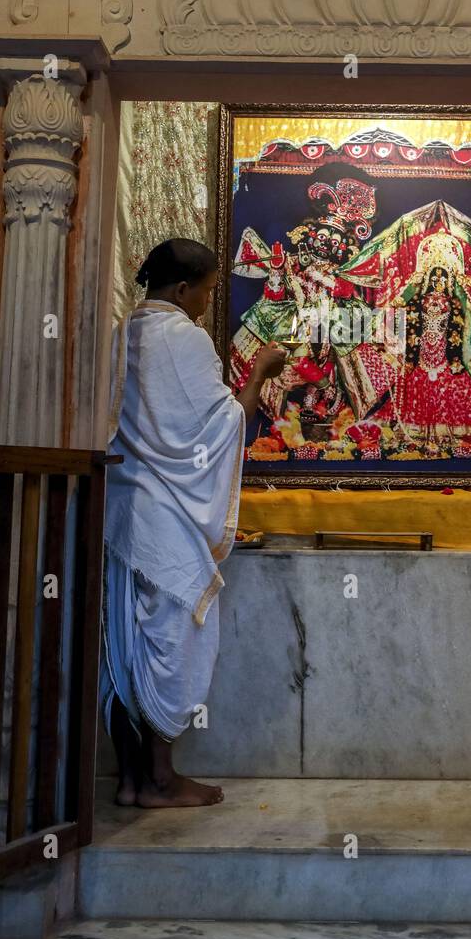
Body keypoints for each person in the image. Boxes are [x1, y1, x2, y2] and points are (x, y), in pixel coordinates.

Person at [102, 237, 286, 808]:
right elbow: (223, 429)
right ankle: (160, 778)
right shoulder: (184, 338)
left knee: (125, 644)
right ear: (182, 290)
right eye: (206, 292)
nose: (208, 303)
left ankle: (132, 781)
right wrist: (259, 373)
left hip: (122, 514)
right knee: (174, 638)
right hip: (168, 521)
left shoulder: (120, 335)